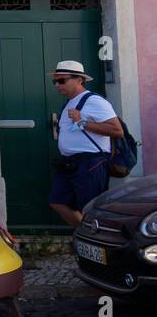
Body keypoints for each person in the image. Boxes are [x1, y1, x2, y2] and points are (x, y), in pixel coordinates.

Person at [47, 60, 122, 228]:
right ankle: (86, 233)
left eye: (62, 80)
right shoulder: (70, 102)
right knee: (57, 201)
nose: (57, 85)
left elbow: (117, 130)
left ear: (79, 80)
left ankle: (97, 238)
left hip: (90, 162)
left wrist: (82, 121)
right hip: (69, 162)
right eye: (55, 82)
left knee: (90, 208)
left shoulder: (94, 101)